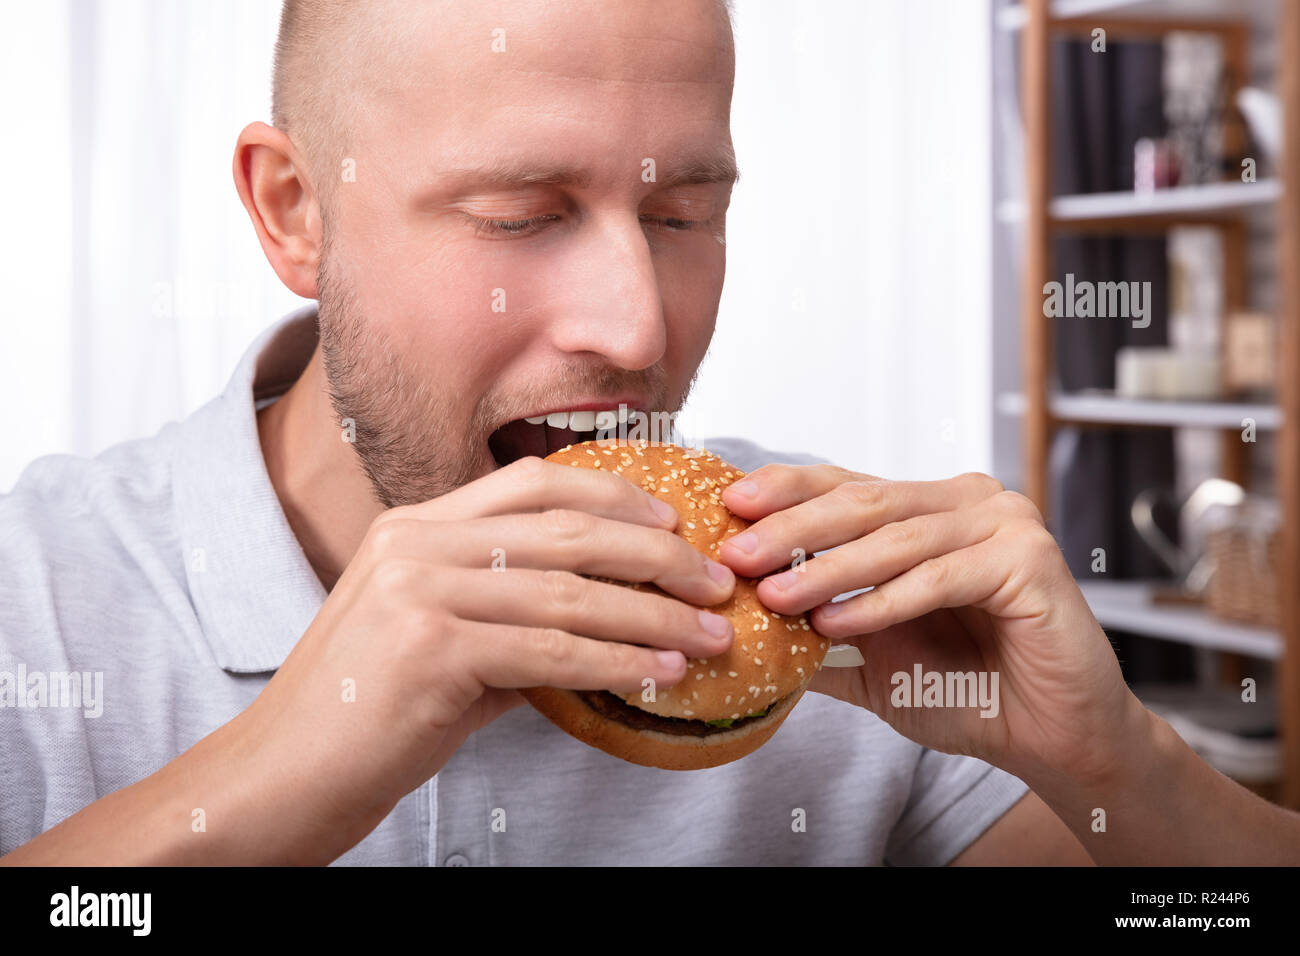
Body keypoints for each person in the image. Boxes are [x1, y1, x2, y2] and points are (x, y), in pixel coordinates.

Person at [2, 0, 1297, 866]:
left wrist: (1115, 760)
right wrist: (262, 787)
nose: (636, 331)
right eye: (520, 214)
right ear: (294, 212)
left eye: (682, 215)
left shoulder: (835, 625)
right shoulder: (36, 602)